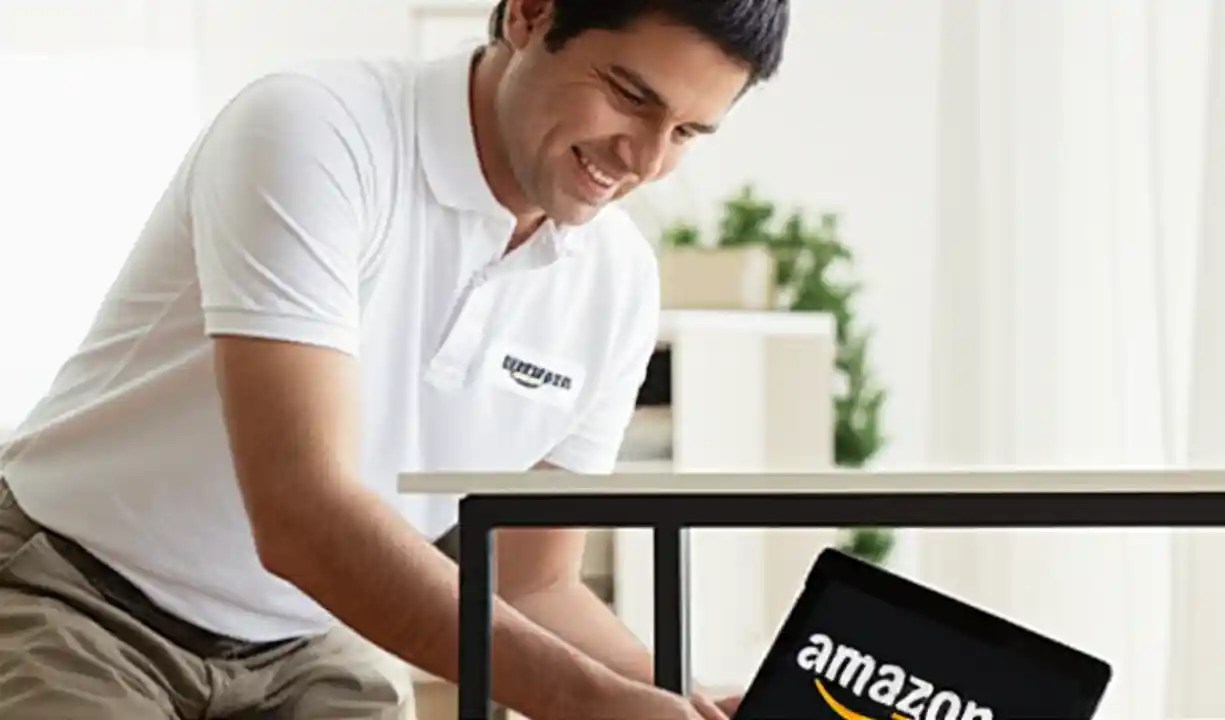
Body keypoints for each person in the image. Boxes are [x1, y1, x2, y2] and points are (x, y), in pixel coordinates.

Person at [0, 0, 789, 717]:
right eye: (629, 94)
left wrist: (683, 702)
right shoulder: (316, 132)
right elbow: (301, 517)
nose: (645, 159)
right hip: (75, 591)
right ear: (530, 14)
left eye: (686, 133)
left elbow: (535, 584)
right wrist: (581, 701)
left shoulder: (618, 283)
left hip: (299, 638)